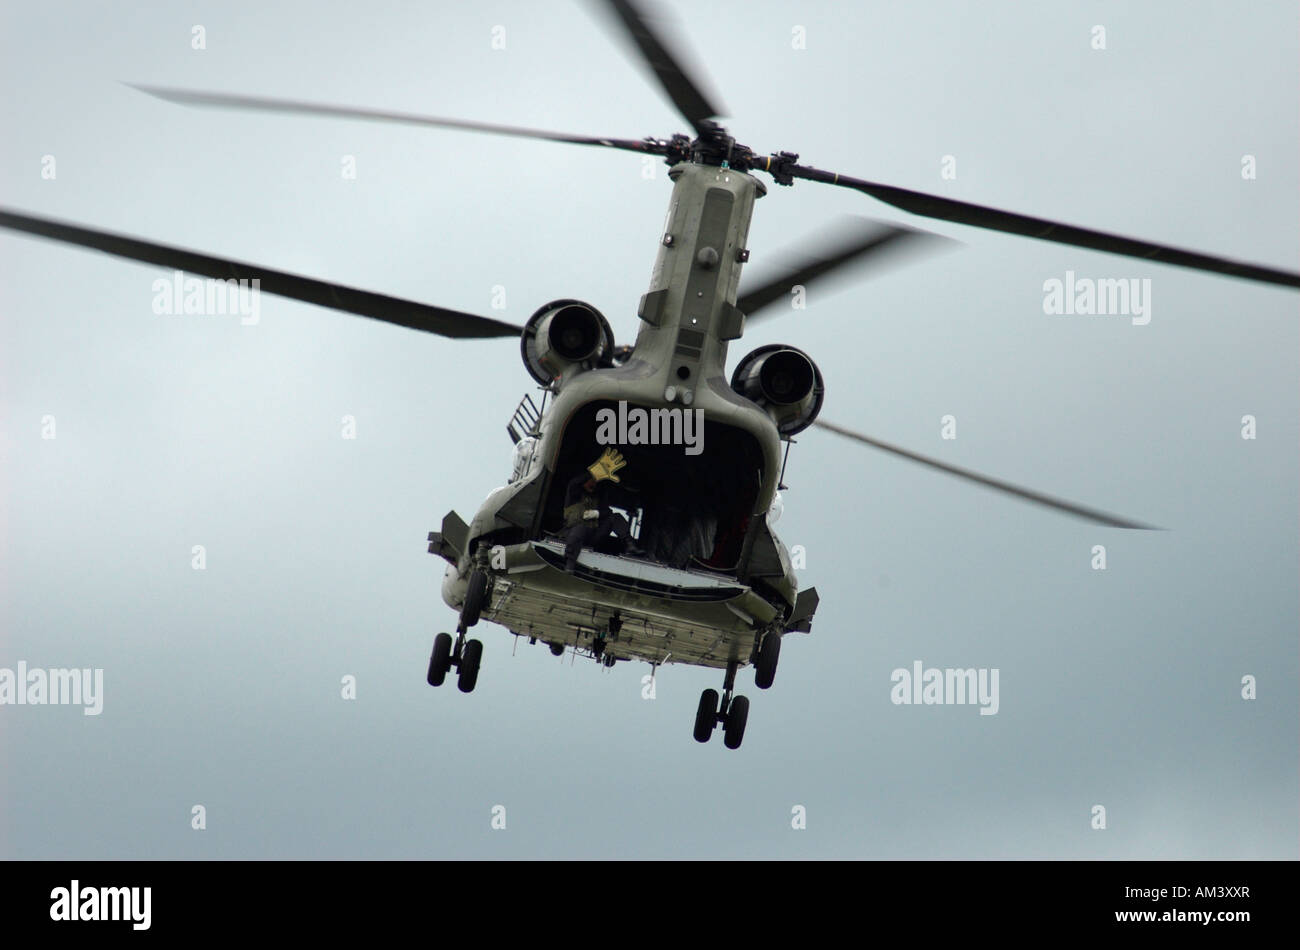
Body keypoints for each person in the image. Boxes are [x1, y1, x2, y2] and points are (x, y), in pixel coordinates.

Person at [563, 448, 640, 571]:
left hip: (594, 535)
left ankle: (629, 544)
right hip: (575, 534)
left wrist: (597, 513)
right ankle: (570, 563)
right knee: (581, 527)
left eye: (595, 481)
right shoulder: (574, 494)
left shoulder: (598, 498)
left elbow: (608, 513)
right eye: (590, 481)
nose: (593, 484)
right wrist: (593, 472)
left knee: (616, 517)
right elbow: (574, 483)